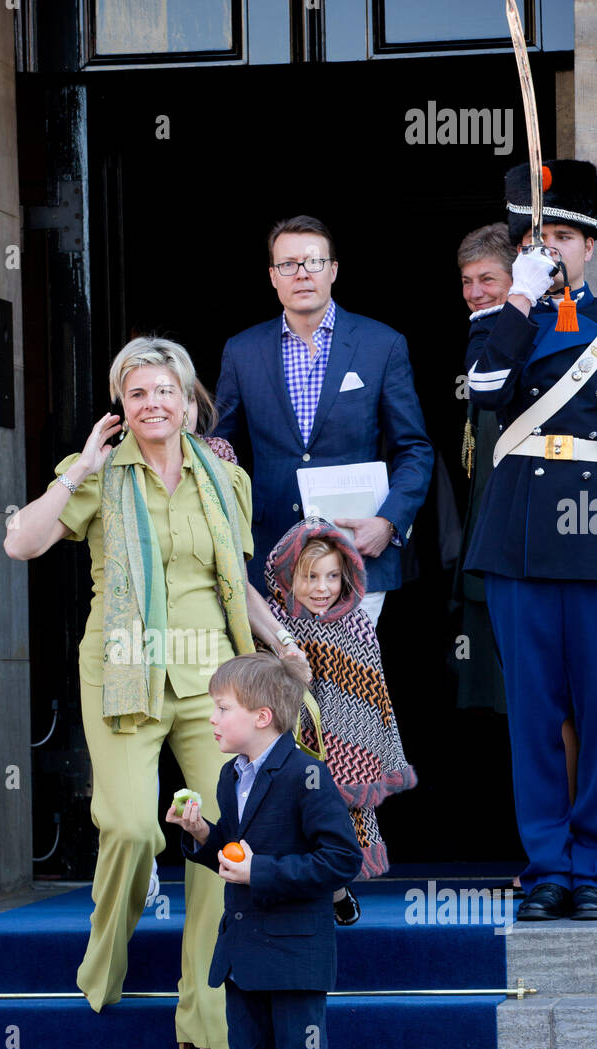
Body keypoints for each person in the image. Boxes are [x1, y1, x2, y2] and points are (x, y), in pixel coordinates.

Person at [5, 337, 297, 1049]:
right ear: (121, 407)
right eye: (137, 394)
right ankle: (106, 955)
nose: (152, 404)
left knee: (221, 844)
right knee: (133, 827)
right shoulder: (98, 476)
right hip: (123, 672)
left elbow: (235, 580)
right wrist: (79, 470)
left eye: (164, 390)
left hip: (213, 681)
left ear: (190, 398)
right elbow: (20, 543)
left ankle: (204, 1018)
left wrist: (283, 642)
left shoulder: (225, 479)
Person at [167, 653, 390, 1049]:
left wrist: (257, 870)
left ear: (262, 716)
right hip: (244, 958)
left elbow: (341, 860)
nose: (211, 718)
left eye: (222, 708)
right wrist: (204, 839)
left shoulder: (307, 775)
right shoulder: (228, 777)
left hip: (294, 960)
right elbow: (235, 856)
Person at [464, 159, 597, 922]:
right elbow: (485, 391)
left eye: (565, 237)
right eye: (539, 238)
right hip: (520, 537)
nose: (553, 248)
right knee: (535, 712)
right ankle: (547, 863)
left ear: (587, 249)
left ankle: (593, 861)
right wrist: (519, 291)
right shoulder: (501, 322)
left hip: (590, 529)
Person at [214, 214, 434, 622]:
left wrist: (389, 521)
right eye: (288, 265)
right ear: (272, 276)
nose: (301, 274)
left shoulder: (381, 345)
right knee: (281, 684)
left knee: (348, 684)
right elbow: (219, 448)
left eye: (313, 262)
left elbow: (414, 449)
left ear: (333, 270)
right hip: (271, 556)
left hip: (356, 554)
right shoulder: (242, 351)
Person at [263, 519, 417, 922]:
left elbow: (370, 700)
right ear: (285, 574)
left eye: (333, 576)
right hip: (283, 740)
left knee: (328, 818)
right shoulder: (269, 624)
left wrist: (346, 749)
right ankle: (288, 891)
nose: (322, 587)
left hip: (337, 746)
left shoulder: (356, 626)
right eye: (310, 576)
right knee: (282, 816)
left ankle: (334, 888)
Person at [455, 224, 515, 714]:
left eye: (488, 280)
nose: (475, 293)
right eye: (467, 281)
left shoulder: (514, 336)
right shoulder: (485, 333)